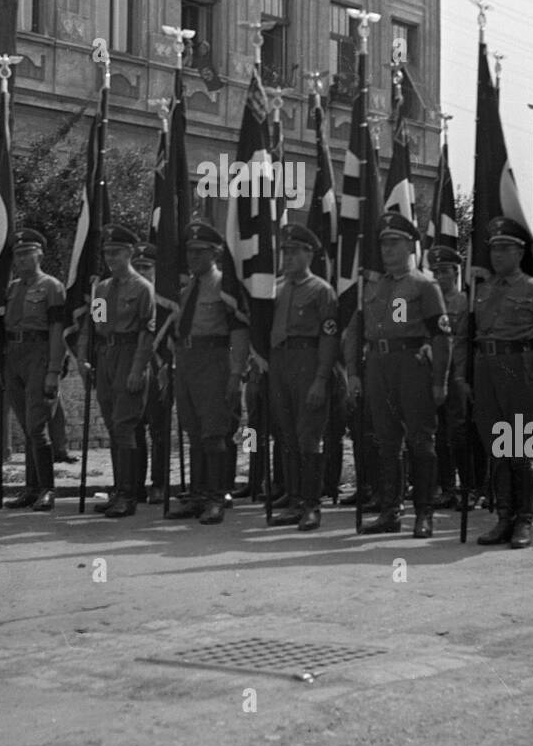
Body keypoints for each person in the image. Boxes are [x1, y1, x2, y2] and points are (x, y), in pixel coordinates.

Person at [344, 213, 448, 537]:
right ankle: (390, 510)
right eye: (383, 244)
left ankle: (424, 512)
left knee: (420, 440)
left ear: (410, 246)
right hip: (378, 365)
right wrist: (354, 373)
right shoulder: (373, 287)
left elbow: (442, 336)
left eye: (394, 243)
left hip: (411, 365)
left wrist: (439, 380)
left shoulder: (424, 285)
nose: (387, 250)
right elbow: (355, 332)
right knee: (387, 442)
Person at [471, 217, 533, 548]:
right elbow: (467, 338)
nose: (498, 255)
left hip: (520, 367)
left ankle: (525, 519)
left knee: (522, 448)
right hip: (487, 368)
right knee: (498, 447)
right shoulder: (481, 291)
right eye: (494, 249)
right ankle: (504, 517)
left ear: (520, 252)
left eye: (505, 248)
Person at [167, 223, 249, 524]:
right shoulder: (187, 288)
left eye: (200, 252)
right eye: (189, 251)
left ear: (215, 253)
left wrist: (236, 371)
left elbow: (239, 330)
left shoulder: (224, 286)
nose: (193, 257)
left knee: (215, 432)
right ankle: (199, 494)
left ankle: (217, 496)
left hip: (214, 360)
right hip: (187, 361)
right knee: (194, 431)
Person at [79, 225, 155, 518]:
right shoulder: (102, 288)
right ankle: (120, 488)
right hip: (106, 356)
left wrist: (138, 369)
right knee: (113, 427)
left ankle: (128, 494)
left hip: (130, 353)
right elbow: (94, 326)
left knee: (124, 426)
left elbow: (148, 332)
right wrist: (85, 360)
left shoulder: (143, 289)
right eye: (107, 252)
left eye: (117, 252)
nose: (111, 258)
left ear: (131, 253)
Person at [265, 224, 338, 531]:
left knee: (309, 436)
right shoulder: (276, 289)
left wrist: (321, 379)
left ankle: (312, 505)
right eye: (285, 251)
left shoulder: (321, 290)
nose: (288, 256)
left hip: (308, 361)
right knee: (287, 435)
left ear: (310, 253)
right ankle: (294, 499)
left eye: (295, 251)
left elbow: (329, 338)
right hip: (279, 362)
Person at [2, 229, 65, 512]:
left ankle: (47, 489)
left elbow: (57, 330)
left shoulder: (52, 287)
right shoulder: (12, 288)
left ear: (40, 254)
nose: (23, 259)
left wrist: (54, 369)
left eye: (28, 253)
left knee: (37, 425)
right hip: (13, 356)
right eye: (18, 254)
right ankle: (31, 488)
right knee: (27, 426)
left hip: (39, 354)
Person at [428, 245, 471, 511]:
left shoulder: (464, 302)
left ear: (456, 273)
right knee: (439, 434)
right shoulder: (428, 301)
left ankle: (469, 487)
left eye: (444, 271)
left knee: (460, 433)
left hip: (457, 373)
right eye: (436, 272)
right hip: (432, 374)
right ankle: (446, 488)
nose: (440, 277)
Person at [131, 243, 170, 504]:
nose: (142, 271)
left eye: (147, 267)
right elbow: (99, 322)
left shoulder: (166, 298)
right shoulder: (112, 291)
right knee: (131, 426)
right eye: (138, 266)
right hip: (127, 363)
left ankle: (159, 484)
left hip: (158, 367)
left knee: (158, 429)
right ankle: (133, 484)